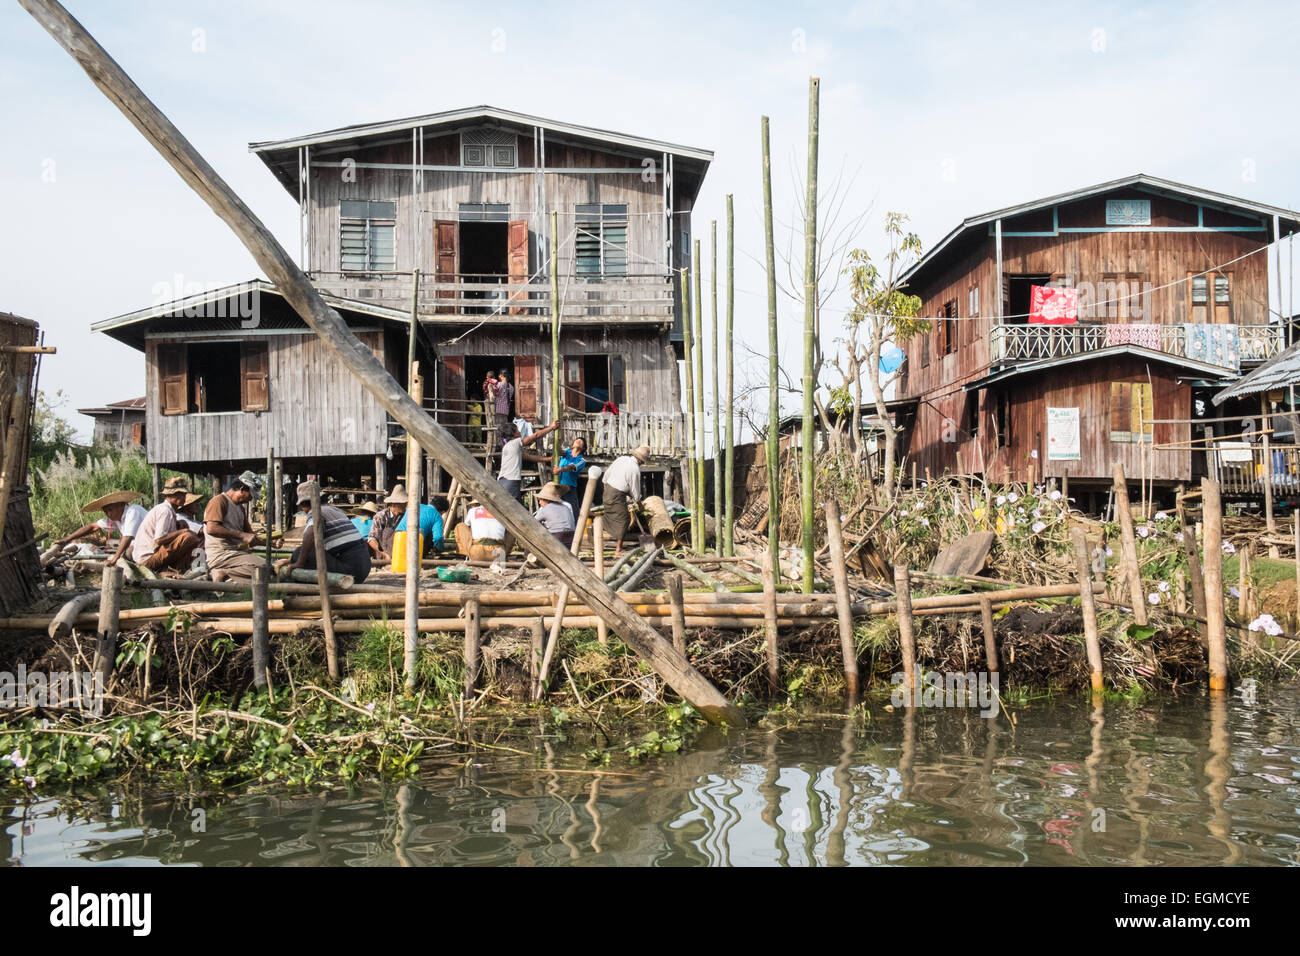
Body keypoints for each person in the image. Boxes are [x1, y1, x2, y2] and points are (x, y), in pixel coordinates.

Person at [277, 482, 371, 582]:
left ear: (304, 505)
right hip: (364, 569)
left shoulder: (316, 512)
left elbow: (311, 533)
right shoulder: (336, 510)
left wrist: (299, 562)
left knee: (298, 553)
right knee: (305, 554)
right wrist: (289, 561)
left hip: (350, 572)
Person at [203, 470, 267, 582]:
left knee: (263, 575)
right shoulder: (219, 501)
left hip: (236, 553)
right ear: (242, 489)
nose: (251, 499)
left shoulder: (240, 509)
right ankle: (223, 572)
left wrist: (271, 543)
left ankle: (228, 576)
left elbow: (250, 536)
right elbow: (211, 528)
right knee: (264, 568)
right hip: (221, 553)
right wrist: (241, 535)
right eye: (250, 495)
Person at [54, 490, 146, 567]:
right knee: (125, 551)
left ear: (120, 505)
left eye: (110, 510)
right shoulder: (117, 518)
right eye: (106, 512)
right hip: (139, 547)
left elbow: (127, 537)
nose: (108, 514)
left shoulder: (133, 511)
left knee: (129, 552)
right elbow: (93, 527)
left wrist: (114, 559)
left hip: (150, 546)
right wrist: (66, 540)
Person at [132, 482, 203, 574]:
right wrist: (183, 531)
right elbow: (159, 540)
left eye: (184, 494)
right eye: (179, 494)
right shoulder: (165, 511)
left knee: (190, 536)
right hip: (147, 559)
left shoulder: (169, 511)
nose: (183, 498)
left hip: (153, 555)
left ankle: (175, 569)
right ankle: (167, 569)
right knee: (188, 537)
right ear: (170, 495)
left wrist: (179, 526)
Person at [602, 444, 650, 556]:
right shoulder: (635, 469)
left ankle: (603, 537)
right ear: (641, 461)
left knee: (610, 515)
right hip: (616, 494)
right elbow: (635, 490)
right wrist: (639, 504)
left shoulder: (621, 459)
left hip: (607, 489)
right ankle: (618, 549)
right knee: (624, 520)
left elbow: (607, 474)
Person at [499, 419, 561, 502]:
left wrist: (548, 459)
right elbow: (536, 435)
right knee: (515, 508)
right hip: (511, 481)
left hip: (503, 481)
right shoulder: (515, 442)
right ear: (513, 433)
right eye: (517, 430)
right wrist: (551, 427)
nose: (519, 431)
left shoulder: (508, 446)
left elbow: (528, 457)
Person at [454, 498, 508, 563]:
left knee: (460, 526)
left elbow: (466, 525)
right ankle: (505, 555)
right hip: (499, 553)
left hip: (478, 553)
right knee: (511, 530)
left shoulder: (472, 511)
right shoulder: (502, 512)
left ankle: (469, 555)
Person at [367, 484, 408, 560]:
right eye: (403, 503)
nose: (405, 505)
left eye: (406, 503)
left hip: (400, 555)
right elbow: (371, 538)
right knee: (388, 531)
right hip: (383, 556)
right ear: (395, 503)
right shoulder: (380, 516)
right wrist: (383, 553)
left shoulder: (405, 515)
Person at [534, 482, 575, 548]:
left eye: (540, 499)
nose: (539, 502)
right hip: (571, 538)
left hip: (557, 537)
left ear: (545, 500)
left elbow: (532, 521)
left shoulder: (545, 509)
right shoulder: (566, 507)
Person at [556, 437, 588, 514]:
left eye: (580, 441)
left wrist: (560, 469)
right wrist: (557, 441)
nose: (578, 440)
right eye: (576, 440)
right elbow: (560, 451)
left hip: (569, 489)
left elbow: (571, 467)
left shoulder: (581, 461)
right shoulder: (567, 452)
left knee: (573, 511)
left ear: (583, 448)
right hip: (558, 486)